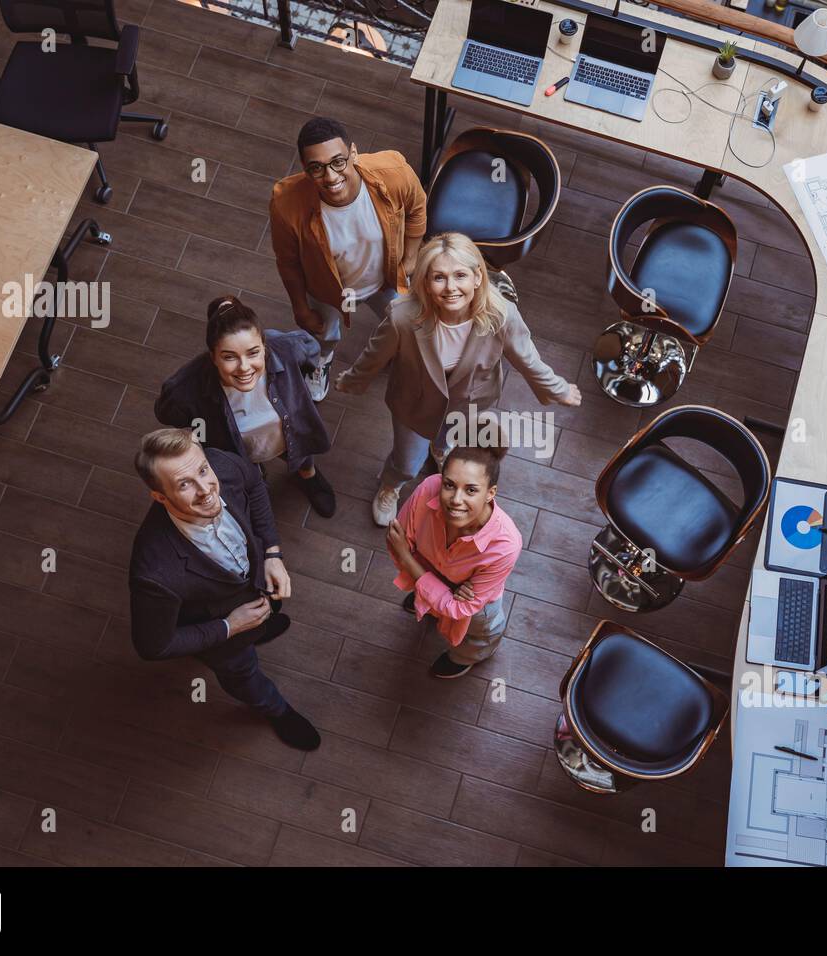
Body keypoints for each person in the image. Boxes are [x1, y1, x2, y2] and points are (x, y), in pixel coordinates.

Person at [334, 231, 581, 526]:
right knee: (407, 462)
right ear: (425, 281)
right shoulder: (403, 317)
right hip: (413, 405)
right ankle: (392, 484)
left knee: (447, 439)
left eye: (460, 275)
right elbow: (374, 353)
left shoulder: (502, 315)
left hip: (468, 402)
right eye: (439, 277)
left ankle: (439, 448)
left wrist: (558, 388)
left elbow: (528, 359)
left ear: (477, 277)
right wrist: (352, 380)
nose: (451, 287)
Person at [127, 428, 321, 751]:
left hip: (254, 587)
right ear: (160, 497)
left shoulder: (219, 464)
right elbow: (153, 646)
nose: (206, 490)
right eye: (184, 484)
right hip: (221, 635)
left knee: (267, 612)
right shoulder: (154, 573)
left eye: (202, 471)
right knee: (243, 673)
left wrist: (272, 552)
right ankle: (276, 710)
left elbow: (255, 485)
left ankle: (261, 627)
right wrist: (230, 626)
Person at [268, 115, 426, 403]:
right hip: (327, 290)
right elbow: (288, 262)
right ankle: (322, 359)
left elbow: (417, 209)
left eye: (338, 162)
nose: (330, 177)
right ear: (305, 169)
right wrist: (300, 308)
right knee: (323, 333)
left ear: (353, 153)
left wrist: (411, 259)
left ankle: (392, 350)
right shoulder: (285, 204)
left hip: (387, 277)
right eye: (316, 168)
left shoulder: (393, 172)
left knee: (404, 325)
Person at [155, 295, 336, 518]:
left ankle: (308, 475)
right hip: (238, 448)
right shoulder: (188, 386)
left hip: (286, 433)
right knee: (246, 472)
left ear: (264, 346)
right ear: (213, 357)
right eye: (229, 357)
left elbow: (311, 349)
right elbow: (166, 410)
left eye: (253, 353)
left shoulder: (285, 348)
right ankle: (254, 478)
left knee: (300, 451)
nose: (244, 368)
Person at [386, 443, 521, 679]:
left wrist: (411, 561)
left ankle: (466, 656)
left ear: (490, 493)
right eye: (449, 485)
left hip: (478, 607)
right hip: (442, 580)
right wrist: (446, 590)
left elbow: (461, 609)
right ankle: (428, 601)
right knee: (433, 598)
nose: (455, 500)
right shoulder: (429, 487)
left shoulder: (506, 545)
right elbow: (396, 542)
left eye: (471, 490)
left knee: (481, 633)